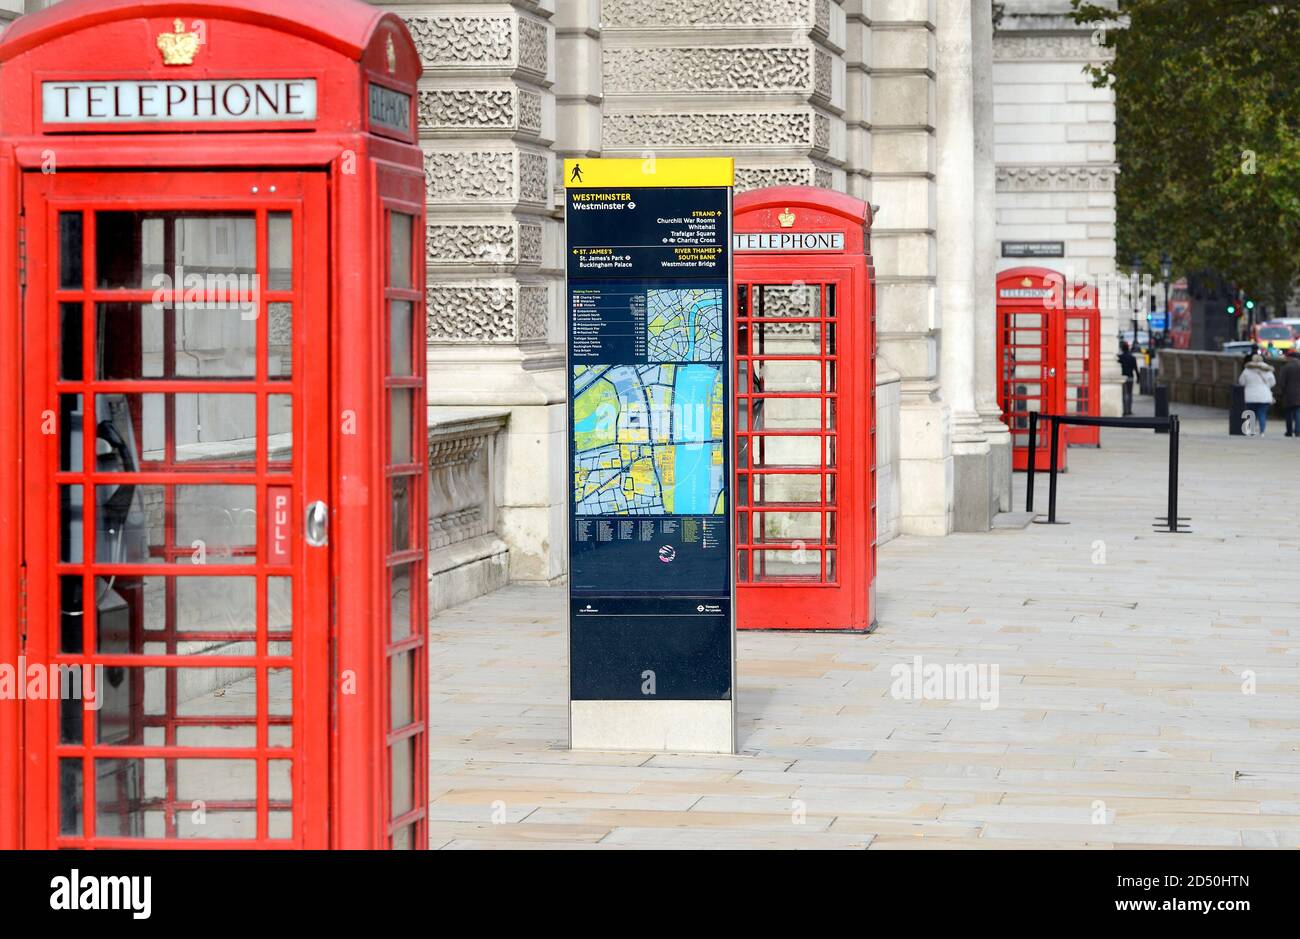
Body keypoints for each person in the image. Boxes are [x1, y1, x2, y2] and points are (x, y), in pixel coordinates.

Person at [1239, 353, 1276, 435]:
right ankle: (1262, 431)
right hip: (1264, 396)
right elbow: (1273, 382)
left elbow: (1241, 382)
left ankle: (1252, 431)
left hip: (1250, 396)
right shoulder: (1267, 370)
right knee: (1262, 414)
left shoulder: (1247, 370)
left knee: (1251, 413)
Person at [1277, 349, 1300, 437]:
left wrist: (1281, 391)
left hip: (1288, 393)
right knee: (1298, 413)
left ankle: (1289, 431)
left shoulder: (1286, 367)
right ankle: (1298, 431)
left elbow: (1282, 382)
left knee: (1289, 414)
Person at [1117, 341, 1138, 416]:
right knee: (1130, 394)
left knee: (1124, 394)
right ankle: (1129, 410)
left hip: (1123, 377)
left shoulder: (1121, 357)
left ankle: (1124, 410)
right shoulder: (1132, 357)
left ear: (1122, 349)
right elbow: (1135, 368)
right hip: (1130, 377)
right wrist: (1138, 378)